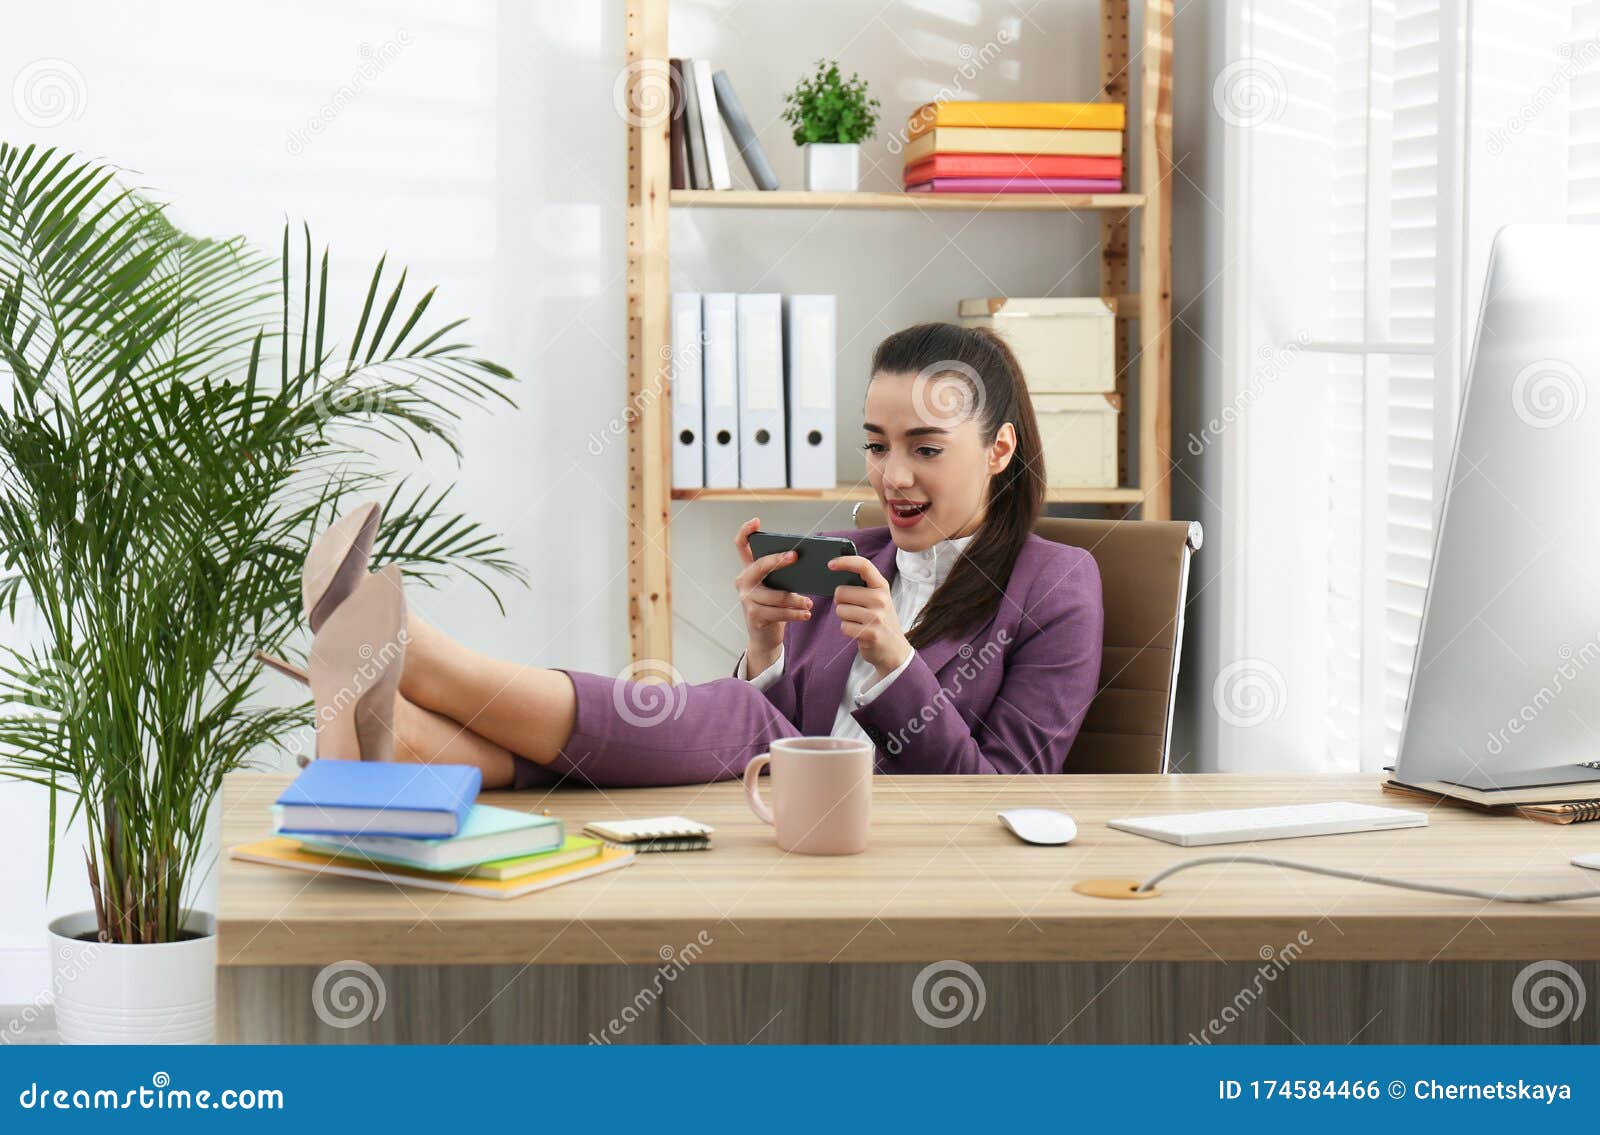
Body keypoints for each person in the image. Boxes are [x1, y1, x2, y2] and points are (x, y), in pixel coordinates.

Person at [285, 322, 1104, 788]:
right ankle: (396, 738)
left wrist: (896, 664)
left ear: (999, 449)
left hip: (887, 844)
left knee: (741, 719)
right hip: (774, 810)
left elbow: (999, 796)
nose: (892, 476)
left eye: (925, 448)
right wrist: (766, 648)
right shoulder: (853, 556)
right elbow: (799, 722)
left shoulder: (1058, 585)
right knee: (688, 732)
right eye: (877, 444)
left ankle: (424, 661)